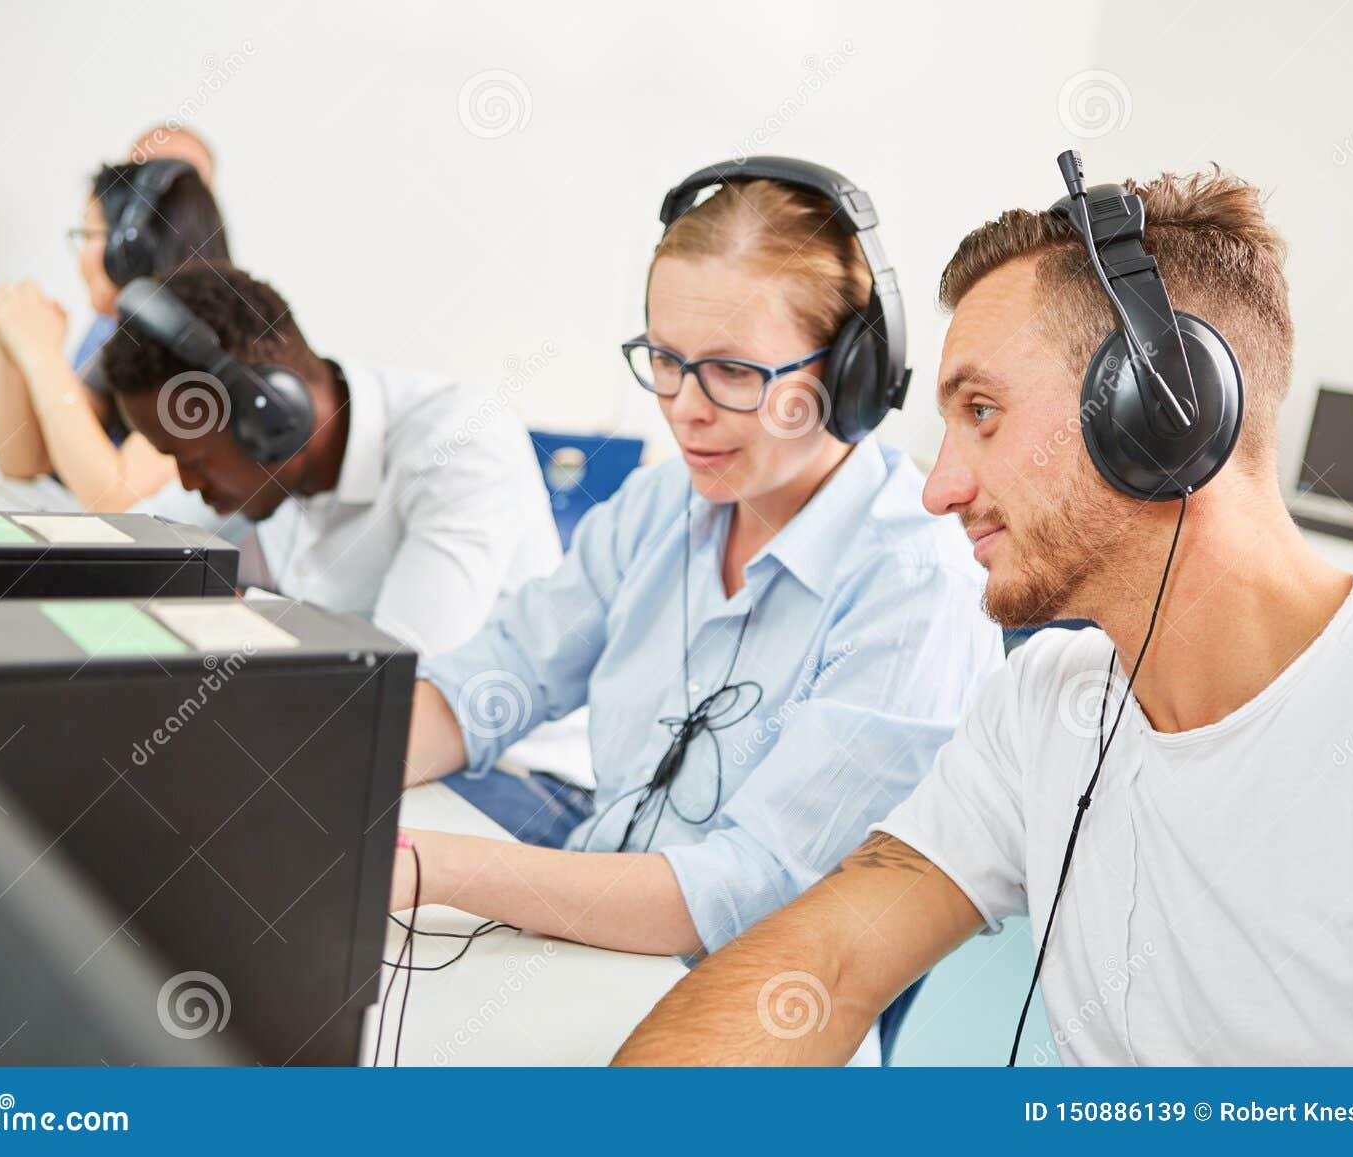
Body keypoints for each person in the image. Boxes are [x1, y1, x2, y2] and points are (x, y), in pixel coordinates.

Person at [613, 163, 1353, 1066]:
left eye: (983, 411)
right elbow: (826, 965)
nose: (938, 488)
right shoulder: (1040, 705)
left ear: (1161, 411)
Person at [397, 161, 1001, 1067]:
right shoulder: (659, 506)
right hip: (579, 951)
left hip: (737, 1038)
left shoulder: (917, 588)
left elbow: (744, 890)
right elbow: (496, 677)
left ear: (851, 374)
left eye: (730, 372)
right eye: (665, 360)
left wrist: (430, 865)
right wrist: (328, 784)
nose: (684, 409)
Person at [99, 261, 561, 658]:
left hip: (477, 734)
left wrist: (228, 616)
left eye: (194, 461)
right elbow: (132, 547)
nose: (186, 482)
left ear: (271, 416)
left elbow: (399, 680)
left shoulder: (459, 445)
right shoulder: (268, 467)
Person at [0, 159, 230, 511]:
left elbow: (115, 502)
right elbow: (23, 462)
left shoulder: (204, 354)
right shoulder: (128, 336)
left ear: (128, 251)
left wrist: (42, 356)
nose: (80, 257)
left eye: (87, 236)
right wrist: (14, 343)